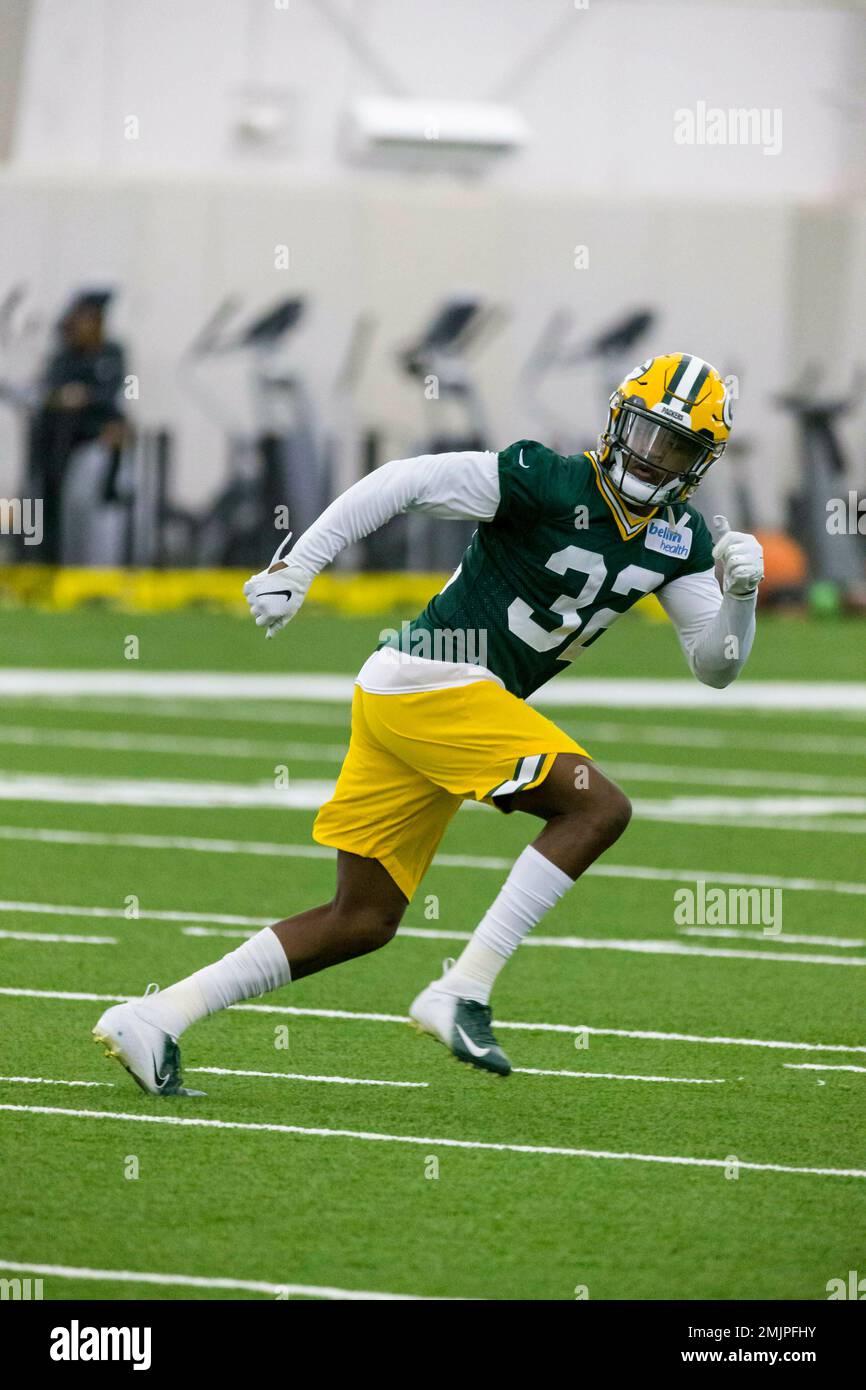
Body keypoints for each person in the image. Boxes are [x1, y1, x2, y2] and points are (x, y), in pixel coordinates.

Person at [93, 351, 763, 1094]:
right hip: (434, 680)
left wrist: (741, 595)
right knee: (597, 806)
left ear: (701, 464)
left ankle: (156, 1017)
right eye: (645, 432)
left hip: (411, 697)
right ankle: (463, 989)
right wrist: (303, 564)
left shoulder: (684, 538)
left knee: (362, 919)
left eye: (677, 447)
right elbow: (403, 481)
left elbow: (717, 665)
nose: (652, 456)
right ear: (617, 420)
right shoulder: (545, 477)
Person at [27, 290, 127, 562]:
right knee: (70, 513)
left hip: (102, 445)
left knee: (105, 514)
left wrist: (87, 396)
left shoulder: (113, 354)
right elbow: (49, 395)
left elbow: (123, 392)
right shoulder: (64, 359)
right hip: (67, 447)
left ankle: (102, 571)